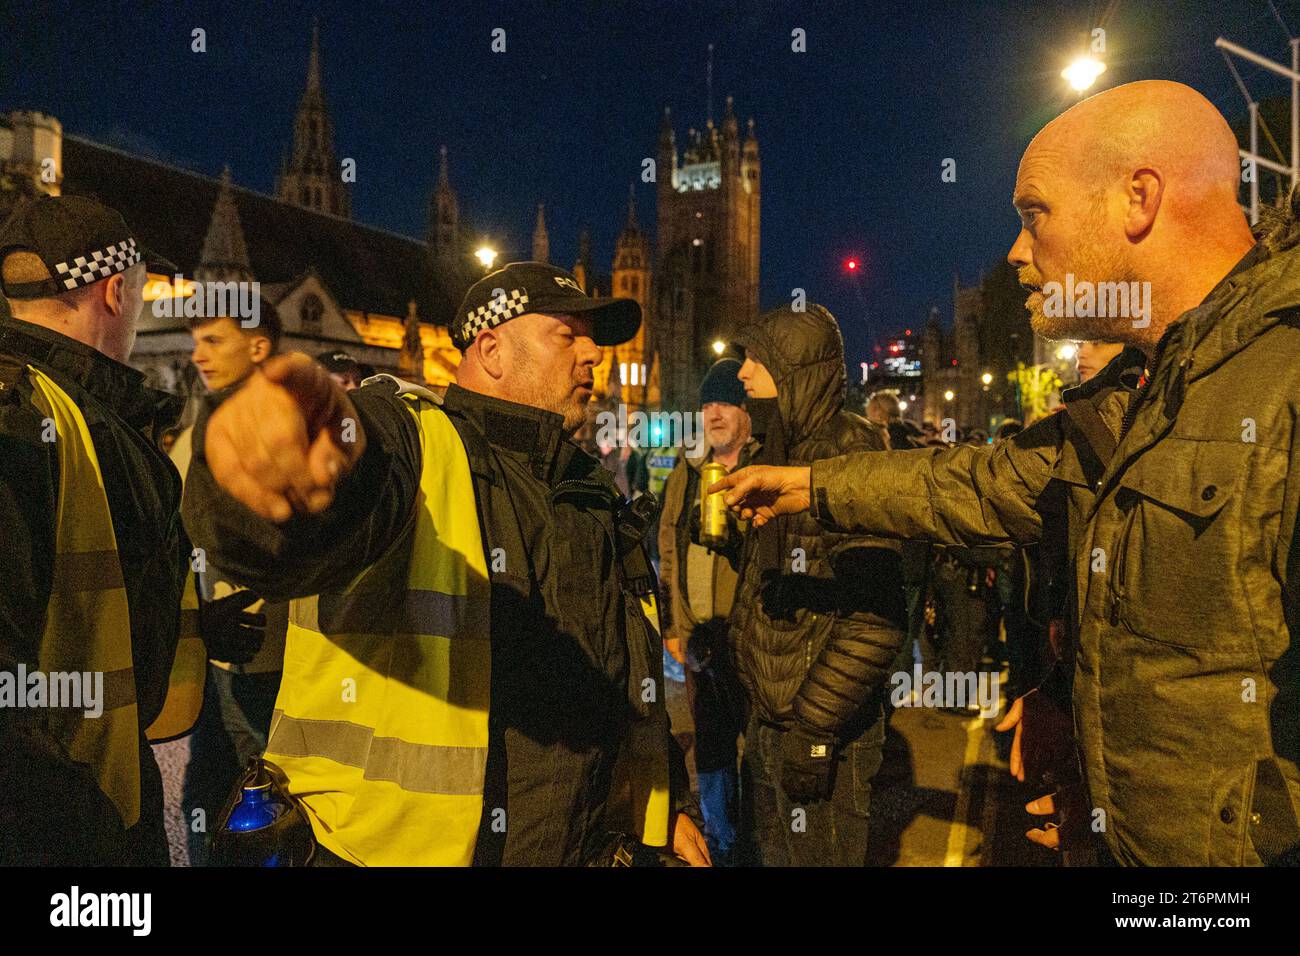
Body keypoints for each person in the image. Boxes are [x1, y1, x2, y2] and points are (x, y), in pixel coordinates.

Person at [713, 80, 1300, 867]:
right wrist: (811, 487)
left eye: (1034, 215)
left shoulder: (1282, 374)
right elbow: (976, 484)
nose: (1018, 252)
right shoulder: (1145, 390)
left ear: (1139, 198)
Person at [182, 261, 707, 866]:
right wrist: (266, 470)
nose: (594, 354)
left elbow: (625, 662)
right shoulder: (416, 438)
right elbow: (336, 499)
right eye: (567, 334)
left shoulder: (588, 488)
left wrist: (669, 804)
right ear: (491, 349)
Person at [0, 196, 257, 864]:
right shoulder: (33, 417)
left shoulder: (76, 416)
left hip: (93, 796)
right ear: (117, 292)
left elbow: (83, 603)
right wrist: (77, 824)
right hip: (64, 824)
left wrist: (196, 628)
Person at [727, 303, 906, 867]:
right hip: (772, 723)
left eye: (756, 360)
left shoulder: (844, 456)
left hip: (822, 735)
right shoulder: (779, 451)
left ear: (793, 373)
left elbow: (875, 616)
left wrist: (814, 729)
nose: (742, 374)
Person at [175, 294, 286, 866]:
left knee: (269, 800)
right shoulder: (211, 418)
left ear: (259, 346)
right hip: (219, 648)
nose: (198, 354)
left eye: (214, 340)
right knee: (207, 794)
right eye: (194, 341)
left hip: (261, 652)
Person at [657, 357, 758, 864]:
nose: (715, 414)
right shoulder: (688, 471)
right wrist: (674, 624)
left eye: (726, 403)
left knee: (759, 748)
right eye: (707, 404)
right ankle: (722, 842)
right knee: (714, 751)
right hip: (701, 640)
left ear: (746, 411)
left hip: (756, 640)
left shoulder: (765, 467)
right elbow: (669, 548)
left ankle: (760, 839)